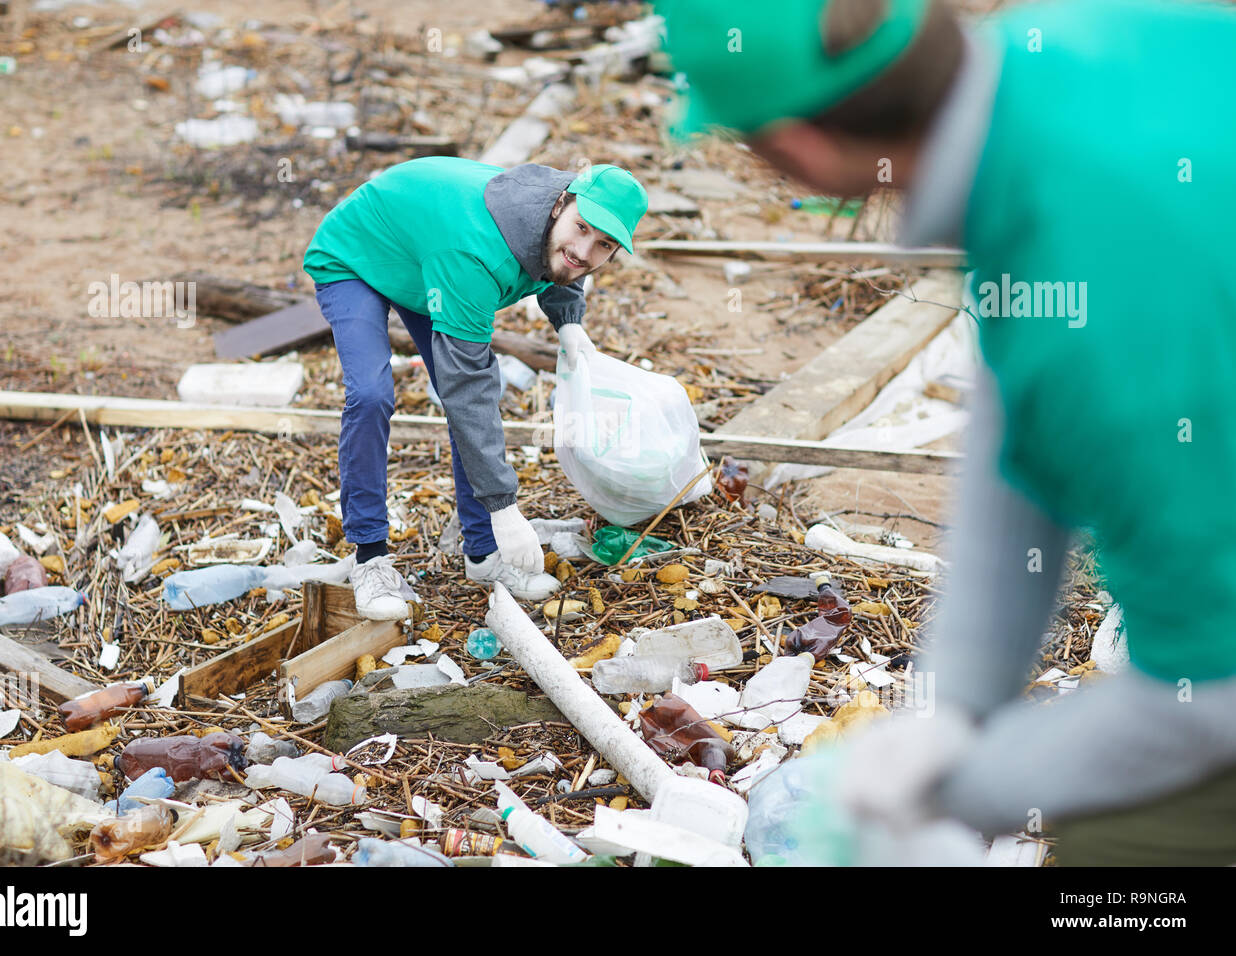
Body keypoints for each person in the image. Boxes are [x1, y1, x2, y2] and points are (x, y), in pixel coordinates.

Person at [660, 0, 1236, 864]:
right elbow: (1020, 428)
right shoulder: (1067, 51)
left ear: (794, 149)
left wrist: (941, 795)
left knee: (1129, 851)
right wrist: (951, 707)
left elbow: (1207, 700)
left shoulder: (1121, 340)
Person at [304, 158, 648, 619]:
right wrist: (504, 507)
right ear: (560, 206)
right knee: (372, 394)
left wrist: (569, 324)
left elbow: (566, 261)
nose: (585, 250)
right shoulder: (477, 253)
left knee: (476, 397)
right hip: (358, 256)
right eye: (582, 228)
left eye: (604, 244)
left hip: (426, 262)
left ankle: (483, 556)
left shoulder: (563, 218)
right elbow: (467, 388)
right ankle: (370, 558)